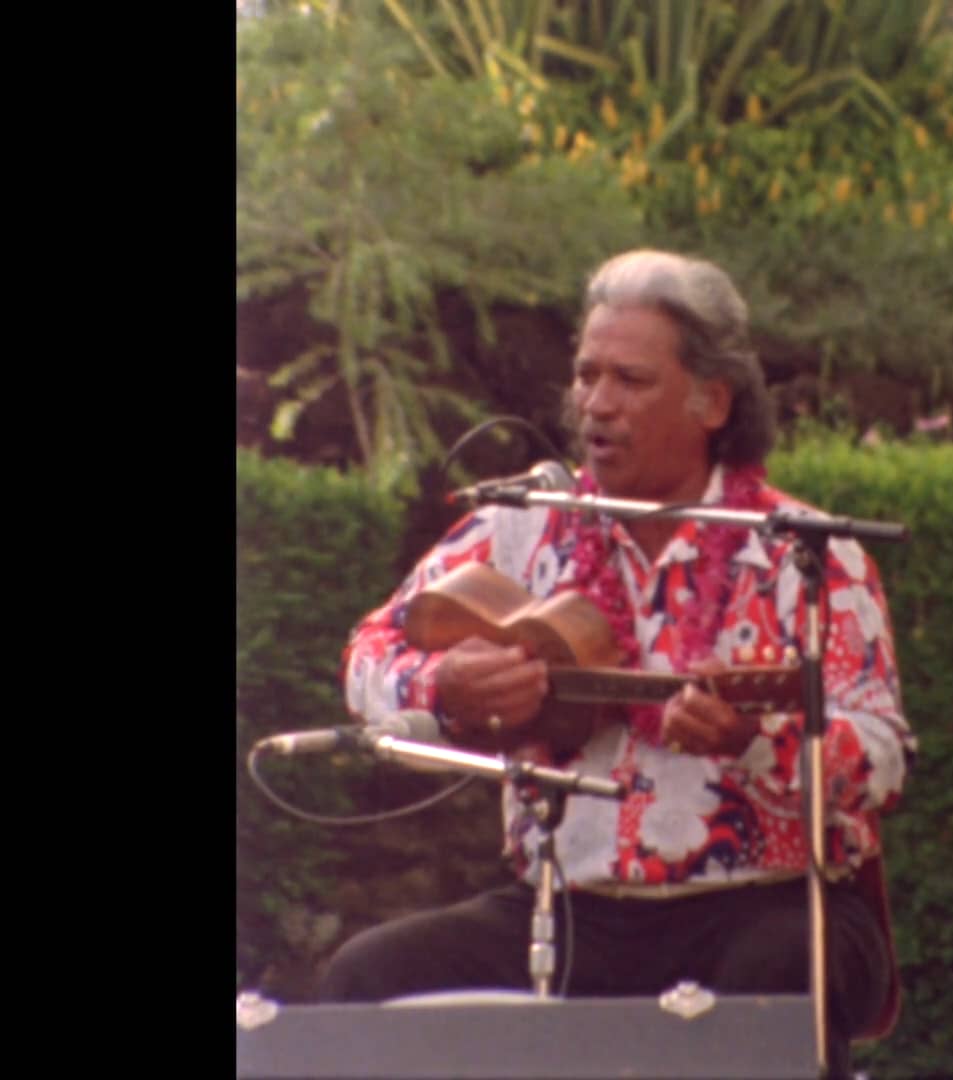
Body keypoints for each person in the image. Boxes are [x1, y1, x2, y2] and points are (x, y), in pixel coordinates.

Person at [318, 249, 915, 1072]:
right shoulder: (522, 528)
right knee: (367, 980)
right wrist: (444, 686)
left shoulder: (804, 554)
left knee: (772, 981)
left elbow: (880, 759)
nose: (596, 404)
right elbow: (367, 653)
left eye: (629, 381)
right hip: (561, 908)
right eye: (585, 375)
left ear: (712, 399)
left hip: (762, 906)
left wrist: (754, 741)